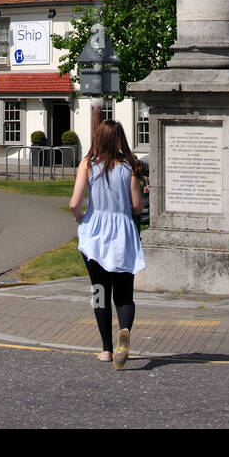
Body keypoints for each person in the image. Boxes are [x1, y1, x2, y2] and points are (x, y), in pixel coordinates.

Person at [69, 120, 145, 368]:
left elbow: (74, 202)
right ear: (120, 138)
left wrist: (79, 216)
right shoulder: (130, 167)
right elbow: (136, 206)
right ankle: (124, 332)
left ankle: (105, 349)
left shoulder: (88, 164)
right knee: (124, 294)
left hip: (94, 232)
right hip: (121, 231)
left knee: (99, 290)